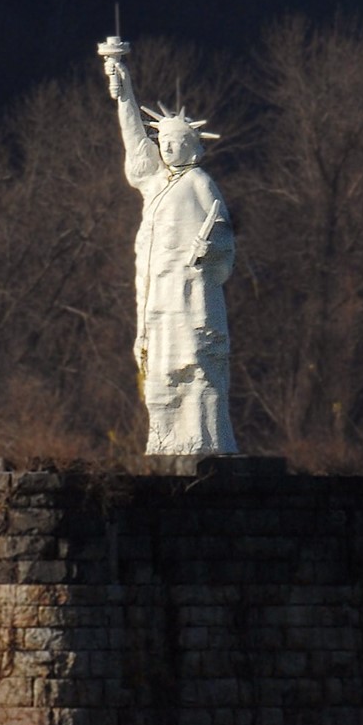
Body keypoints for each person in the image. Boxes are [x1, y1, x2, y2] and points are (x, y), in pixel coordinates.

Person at [105, 55, 239, 455]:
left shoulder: (200, 182)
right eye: (163, 143)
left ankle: (205, 440)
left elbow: (225, 238)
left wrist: (208, 249)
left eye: (175, 142)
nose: (166, 148)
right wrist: (124, 93)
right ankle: (163, 440)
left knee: (197, 365)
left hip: (190, 292)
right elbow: (134, 140)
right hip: (159, 297)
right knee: (161, 370)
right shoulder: (157, 182)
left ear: (193, 146)